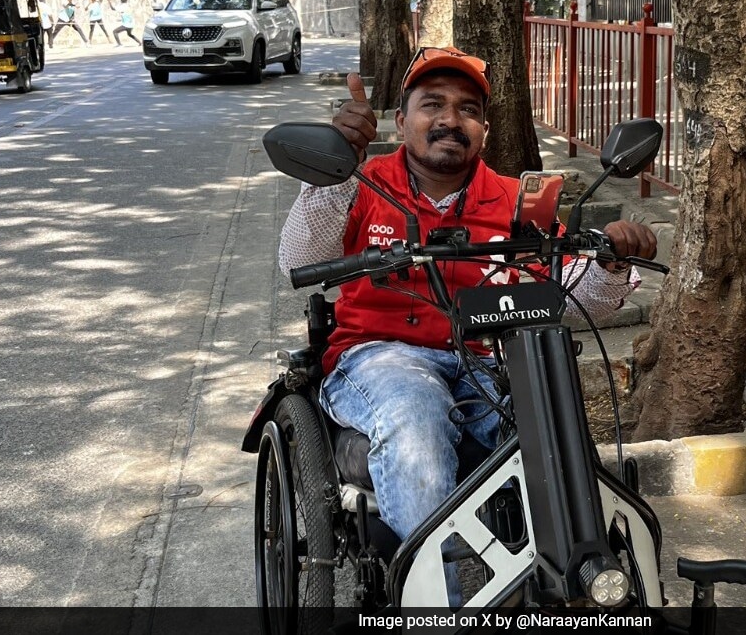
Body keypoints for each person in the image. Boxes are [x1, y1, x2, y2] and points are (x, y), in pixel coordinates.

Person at [277, 46, 657, 605]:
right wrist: (338, 164)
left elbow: (568, 303)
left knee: (549, 427)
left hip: (486, 359)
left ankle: (567, 590)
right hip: (380, 356)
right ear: (402, 120)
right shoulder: (360, 183)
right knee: (414, 410)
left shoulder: (515, 200)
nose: (450, 120)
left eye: (467, 109)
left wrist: (610, 262)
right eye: (432, 104)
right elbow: (296, 259)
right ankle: (439, 602)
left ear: (484, 128)